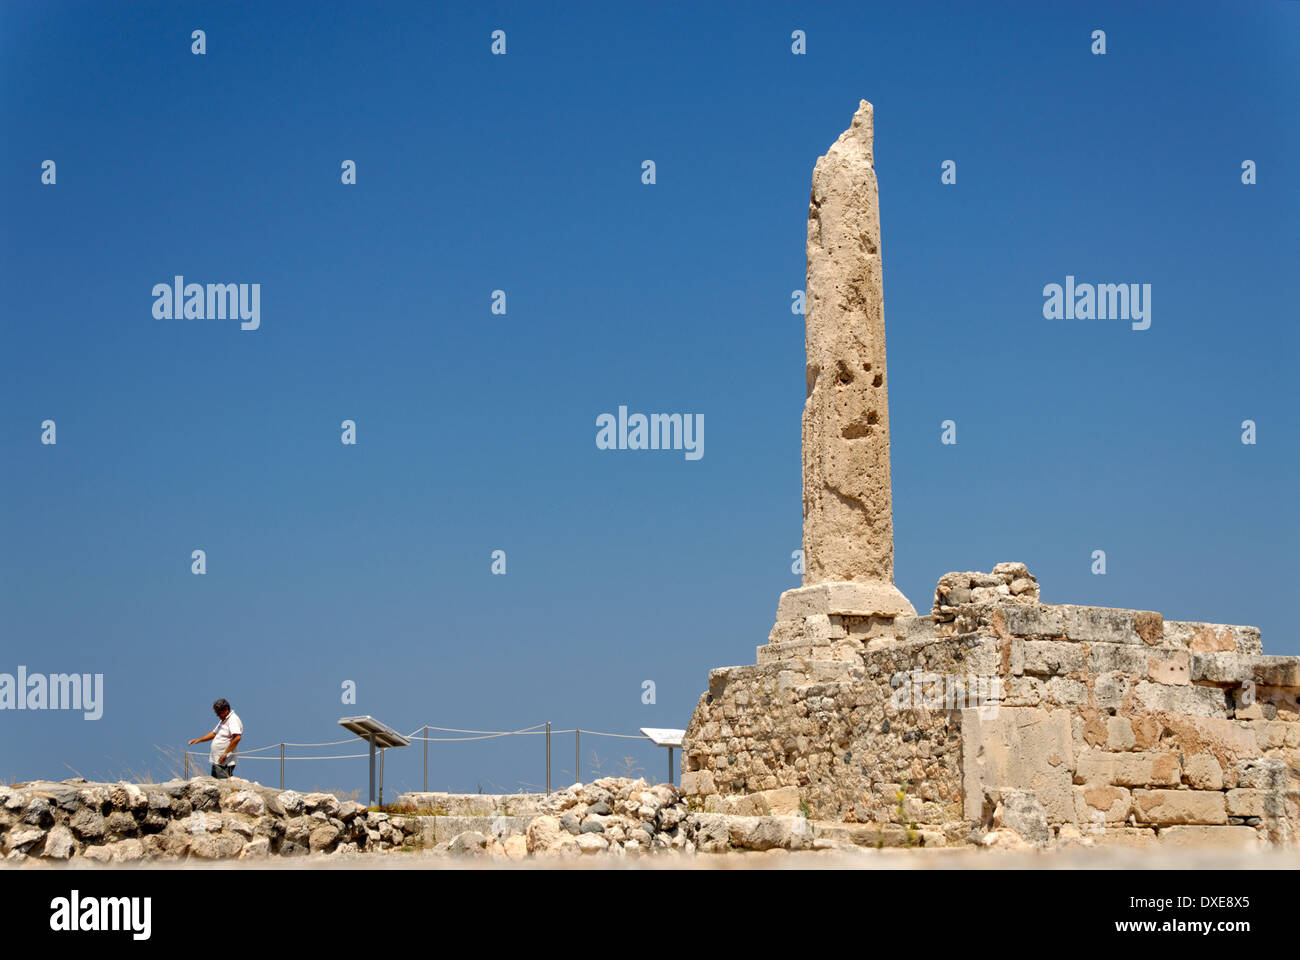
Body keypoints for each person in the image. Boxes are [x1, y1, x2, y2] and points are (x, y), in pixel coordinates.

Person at [188, 698, 243, 778]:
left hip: (225, 760)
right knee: (216, 781)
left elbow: (237, 737)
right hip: (218, 759)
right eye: (216, 713)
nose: (217, 715)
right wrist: (199, 740)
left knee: (222, 782)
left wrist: (225, 753)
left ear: (226, 709)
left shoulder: (233, 719)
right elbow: (214, 733)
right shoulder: (224, 720)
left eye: (219, 713)